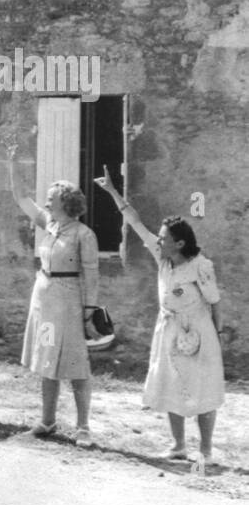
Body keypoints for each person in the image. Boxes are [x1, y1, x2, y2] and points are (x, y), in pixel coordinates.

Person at [95, 167, 225, 464]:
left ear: (180, 244)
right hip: (168, 329)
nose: (159, 241)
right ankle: (178, 444)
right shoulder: (163, 258)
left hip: (199, 333)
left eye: (165, 238)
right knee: (171, 384)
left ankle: (205, 450)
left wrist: (214, 338)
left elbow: (215, 303)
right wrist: (113, 192)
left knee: (202, 388)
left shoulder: (200, 266)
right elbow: (135, 222)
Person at [10, 167, 101, 444]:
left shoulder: (83, 234)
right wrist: (14, 162)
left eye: (52, 198)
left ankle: (83, 426)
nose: (47, 202)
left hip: (69, 303)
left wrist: (89, 312)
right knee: (47, 358)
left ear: (66, 202)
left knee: (75, 363)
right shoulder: (50, 224)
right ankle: (47, 421)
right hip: (45, 303)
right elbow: (21, 198)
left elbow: (92, 275)